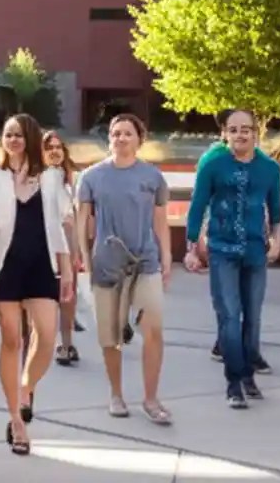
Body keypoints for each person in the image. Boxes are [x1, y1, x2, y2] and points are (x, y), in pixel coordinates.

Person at [0, 115, 74, 455]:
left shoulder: (50, 176)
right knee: (11, 340)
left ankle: (25, 386)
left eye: (19, 135)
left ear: (31, 138)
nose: (13, 140)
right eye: (8, 134)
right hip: (3, 267)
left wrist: (69, 271)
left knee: (47, 336)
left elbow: (60, 228)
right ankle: (16, 419)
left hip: (41, 267)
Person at [75, 114, 173, 425]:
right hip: (108, 264)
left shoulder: (152, 177)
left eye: (127, 133)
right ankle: (116, 394)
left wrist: (167, 255)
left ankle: (151, 398)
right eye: (115, 133)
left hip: (145, 262)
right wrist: (85, 261)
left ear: (139, 139)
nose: (120, 138)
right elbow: (82, 222)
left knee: (153, 330)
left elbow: (160, 220)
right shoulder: (91, 177)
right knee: (111, 335)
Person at [184, 109, 280, 409]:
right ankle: (234, 382)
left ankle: (249, 374)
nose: (240, 134)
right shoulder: (213, 164)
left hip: (255, 251)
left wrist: (277, 241)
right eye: (234, 129)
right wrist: (191, 245)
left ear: (256, 133)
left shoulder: (269, 168)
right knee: (229, 314)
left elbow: (275, 210)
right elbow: (198, 204)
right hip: (222, 250)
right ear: (224, 133)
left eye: (246, 129)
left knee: (252, 317)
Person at [43, 130, 88, 365]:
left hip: (67, 243)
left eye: (58, 147)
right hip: (44, 243)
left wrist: (78, 251)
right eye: (49, 147)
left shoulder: (72, 179)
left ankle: (67, 343)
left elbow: (77, 217)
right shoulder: (39, 178)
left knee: (67, 297)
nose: (54, 151)